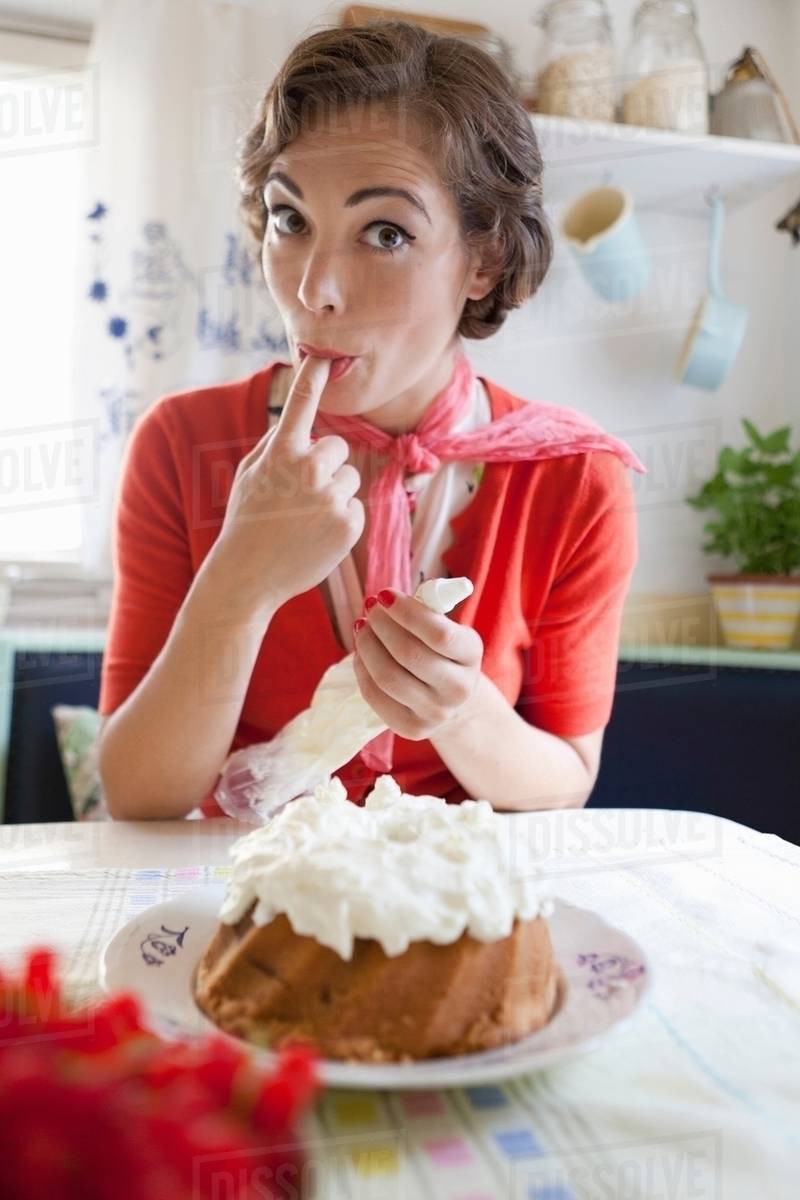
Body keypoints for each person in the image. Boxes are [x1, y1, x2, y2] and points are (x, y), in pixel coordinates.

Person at [97, 20, 643, 820]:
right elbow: (140, 798)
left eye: (384, 233)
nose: (315, 288)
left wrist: (461, 709)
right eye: (291, 220)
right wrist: (237, 586)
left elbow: (567, 779)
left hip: (451, 901)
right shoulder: (181, 445)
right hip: (238, 908)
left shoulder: (576, 479)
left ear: (483, 261)